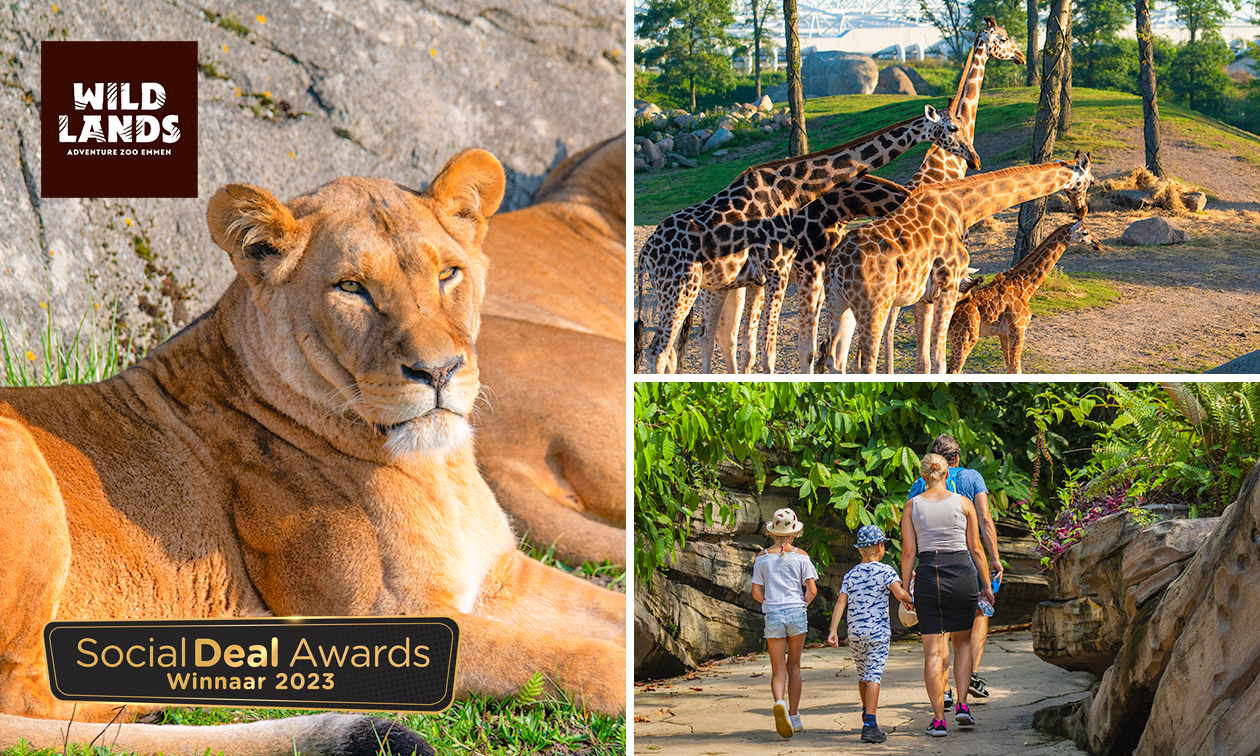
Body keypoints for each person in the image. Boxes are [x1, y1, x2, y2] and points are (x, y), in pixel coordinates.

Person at [902, 453, 995, 737]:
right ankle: (963, 706)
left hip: (929, 574)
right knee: (963, 645)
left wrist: (905, 589)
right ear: (947, 473)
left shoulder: (911, 506)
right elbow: (976, 549)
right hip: (962, 575)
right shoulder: (963, 504)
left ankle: (939, 720)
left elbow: (909, 552)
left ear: (922, 476)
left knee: (933, 651)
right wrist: (987, 586)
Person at [826, 525, 915, 743]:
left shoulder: (851, 574)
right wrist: (911, 598)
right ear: (880, 546)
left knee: (862, 673)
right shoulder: (886, 571)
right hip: (877, 633)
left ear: (860, 550)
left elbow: (840, 602)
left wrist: (833, 631)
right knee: (874, 675)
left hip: (855, 633)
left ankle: (867, 709)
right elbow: (899, 593)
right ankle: (870, 723)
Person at [751, 507, 818, 739]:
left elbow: (756, 592)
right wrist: (802, 605)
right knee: (794, 667)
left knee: (778, 669)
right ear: (793, 534)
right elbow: (812, 590)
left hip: (774, 614)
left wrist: (769, 601)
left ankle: (779, 701)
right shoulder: (802, 557)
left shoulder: (762, 558)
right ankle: (795, 715)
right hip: (796, 612)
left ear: (773, 532)